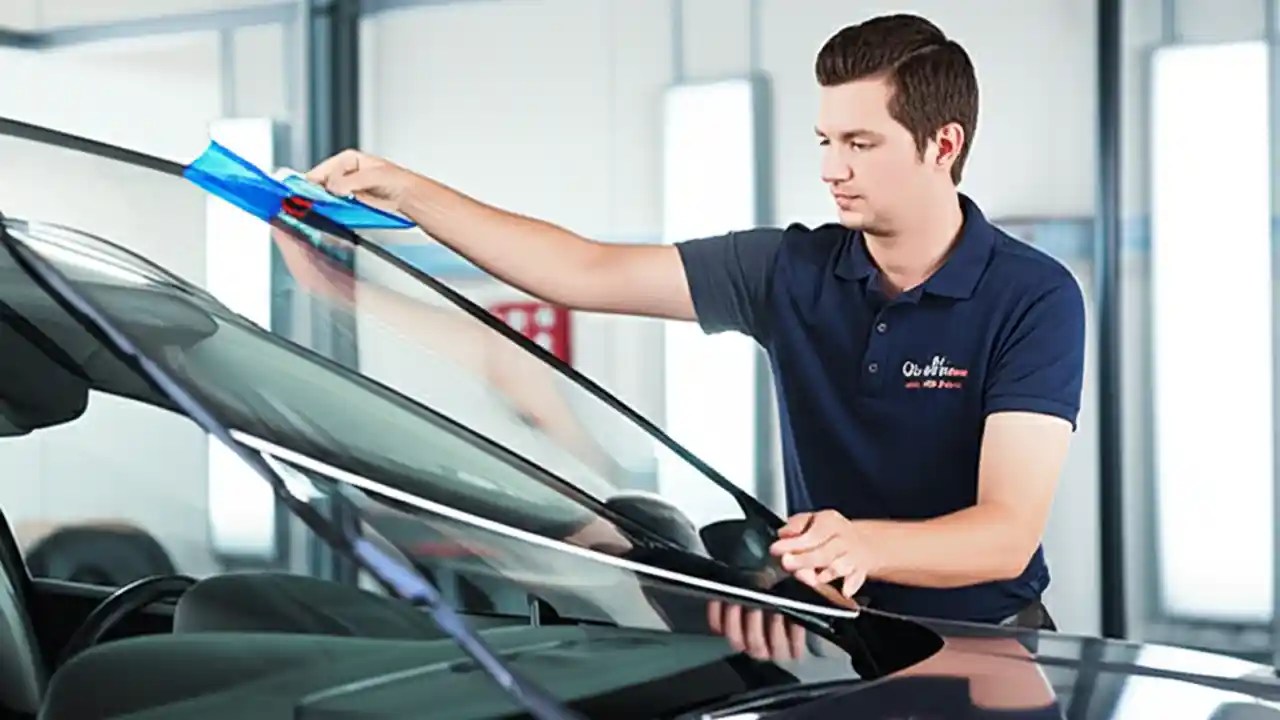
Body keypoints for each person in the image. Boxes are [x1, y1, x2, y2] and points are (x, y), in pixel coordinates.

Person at [304, 13, 1085, 657]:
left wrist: (864, 545)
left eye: (860, 144)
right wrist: (404, 189)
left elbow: (1004, 534)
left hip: (989, 652)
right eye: (825, 141)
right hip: (845, 648)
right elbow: (579, 270)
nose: (832, 169)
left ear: (941, 145)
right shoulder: (786, 268)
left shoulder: (1033, 296)